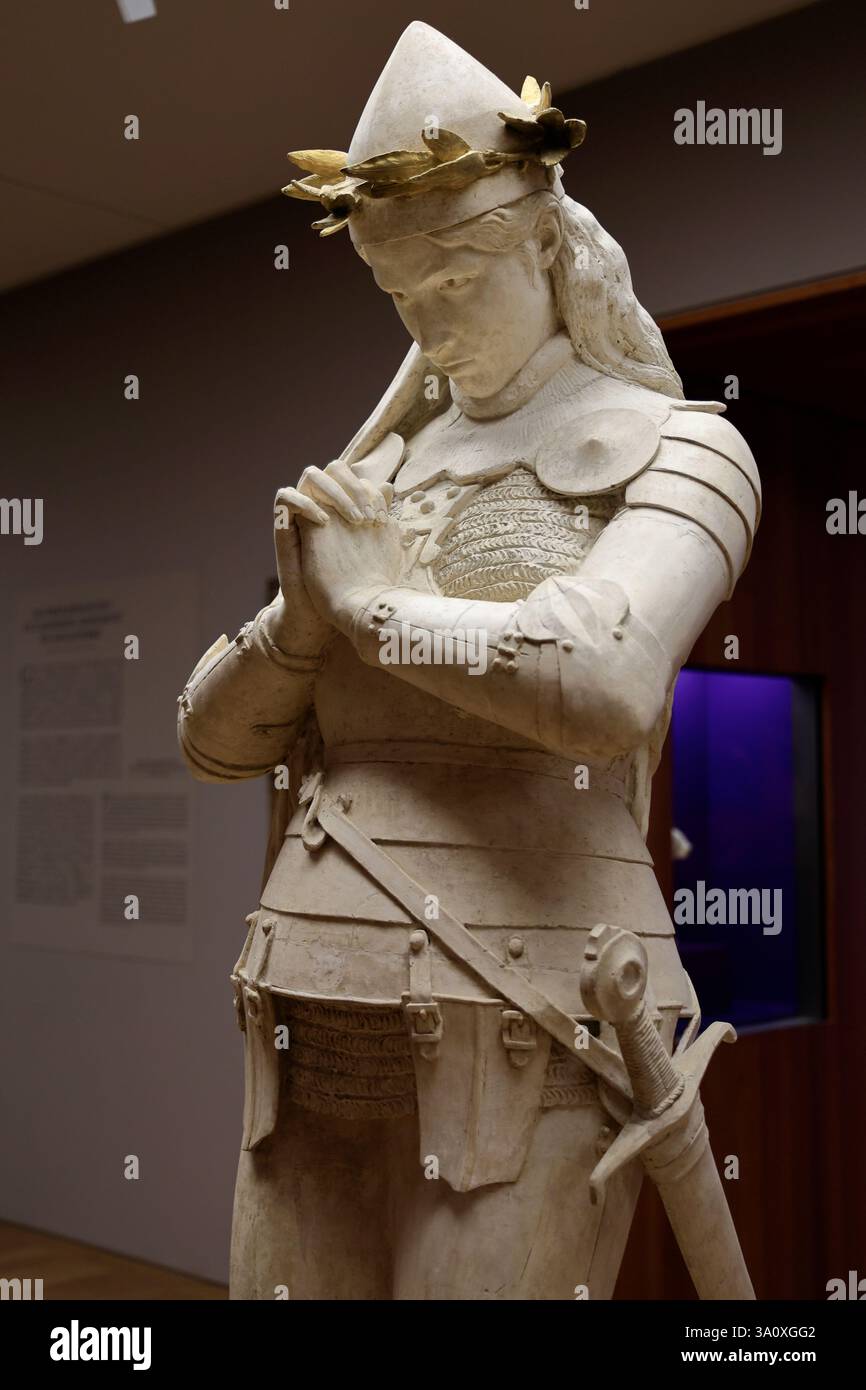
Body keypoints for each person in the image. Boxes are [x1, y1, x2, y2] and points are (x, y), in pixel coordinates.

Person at [177, 22, 760, 1300]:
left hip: (537, 999)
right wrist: (298, 624)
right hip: (305, 994)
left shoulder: (679, 448)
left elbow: (604, 680)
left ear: (543, 241)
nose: (433, 323)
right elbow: (212, 741)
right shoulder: (374, 473)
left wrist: (376, 604)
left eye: (456, 280)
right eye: (403, 296)